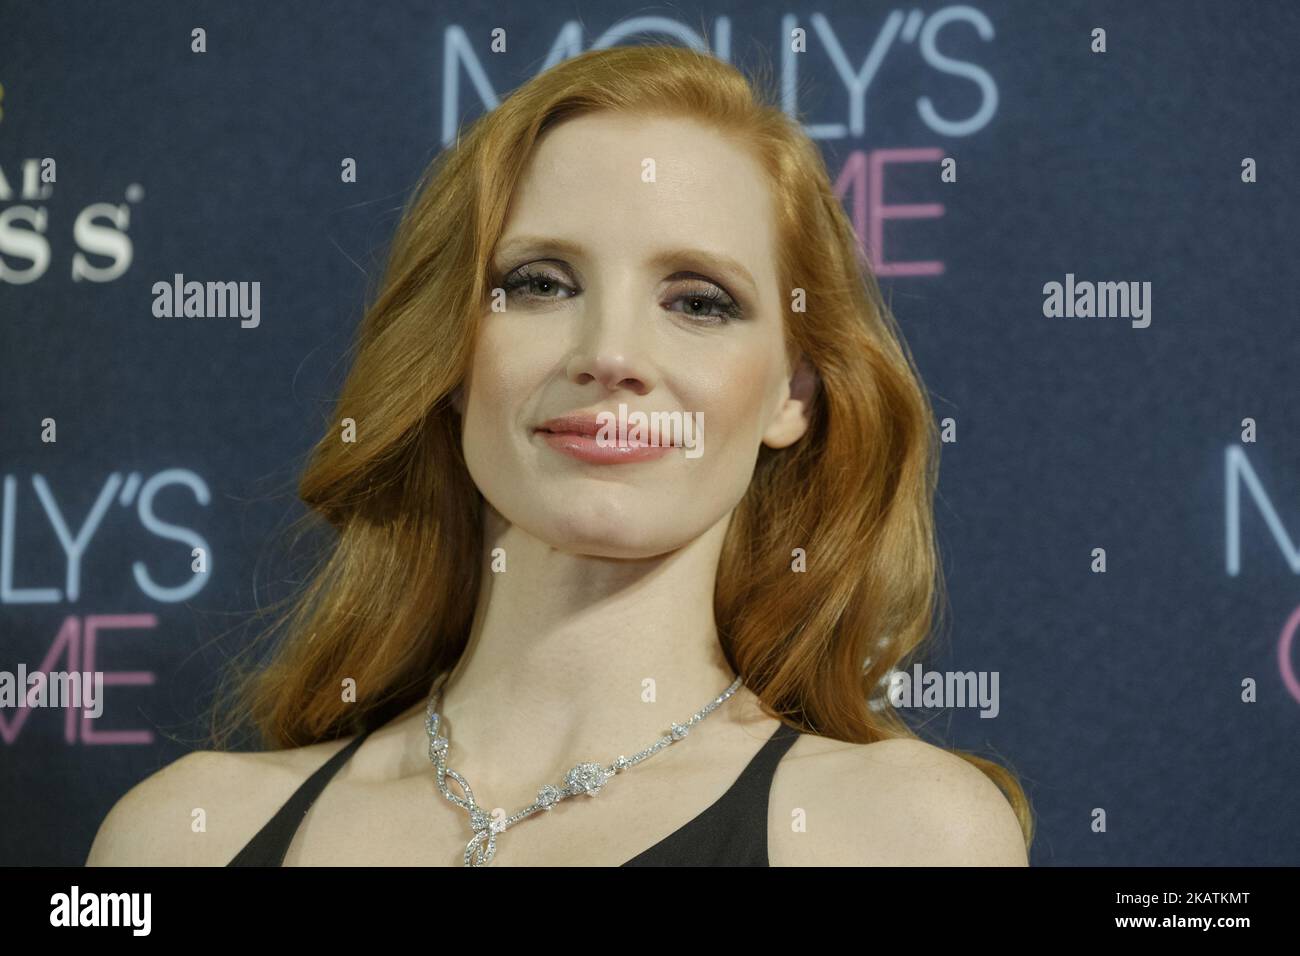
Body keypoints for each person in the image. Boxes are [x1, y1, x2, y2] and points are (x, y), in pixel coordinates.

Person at [87, 44, 1032, 867]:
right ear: (450, 355)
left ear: (794, 393)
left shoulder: (899, 836)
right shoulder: (183, 837)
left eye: (699, 300)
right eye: (539, 285)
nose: (610, 356)